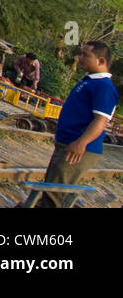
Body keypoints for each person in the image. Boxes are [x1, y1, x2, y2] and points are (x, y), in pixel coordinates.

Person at [38, 42, 117, 208]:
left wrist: (82, 143)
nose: (80, 58)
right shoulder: (89, 81)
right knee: (51, 190)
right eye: (80, 54)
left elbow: (100, 120)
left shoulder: (104, 87)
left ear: (101, 61)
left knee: (55, 196)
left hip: (79, 148)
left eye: (86, 55)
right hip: (68, 144)